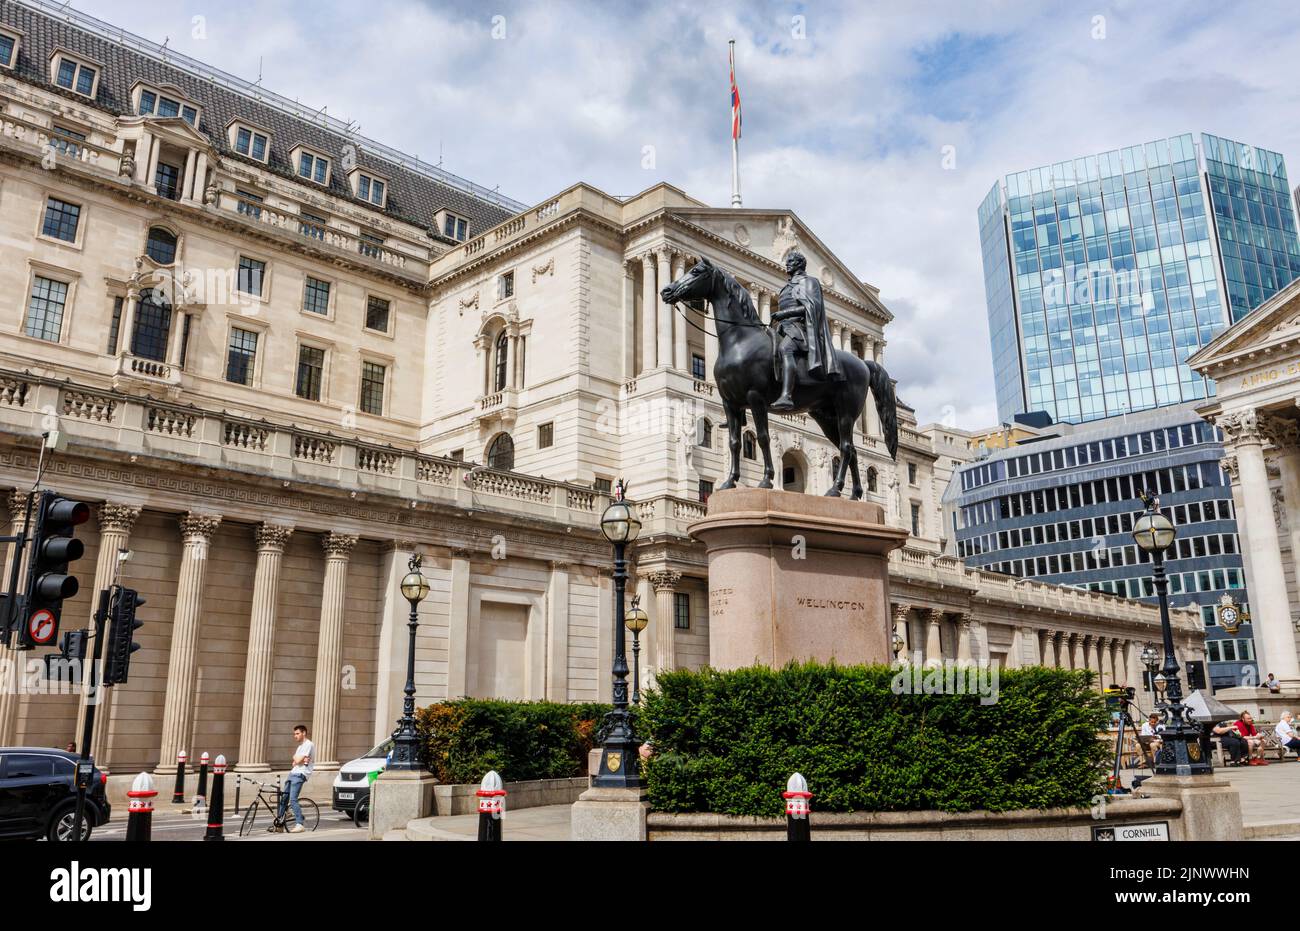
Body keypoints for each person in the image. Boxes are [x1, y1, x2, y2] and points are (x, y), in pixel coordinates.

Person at [769, 250, 842, 411]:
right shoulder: (787, 286)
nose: (787, 264)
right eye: (787, 261)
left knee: (785, 349)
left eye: (791, 261)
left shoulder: (809, 282)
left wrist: (784, 313)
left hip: (800, 328)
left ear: (800, 264)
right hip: (784, 327)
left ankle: (786, 396)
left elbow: (812, 307)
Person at [276, 724, 314, 833]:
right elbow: (295, 761)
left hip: (300, 774)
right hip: (293, 773)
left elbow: (297, 761)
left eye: (297, 733)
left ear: (304, 733)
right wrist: (297, 759)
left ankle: (300, 824)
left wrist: (297, 759)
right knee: (284, 799)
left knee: (293, 799)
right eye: (294, 734)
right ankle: (280, 825)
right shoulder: (299, 747)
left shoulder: (309, 744)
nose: (295, 736)